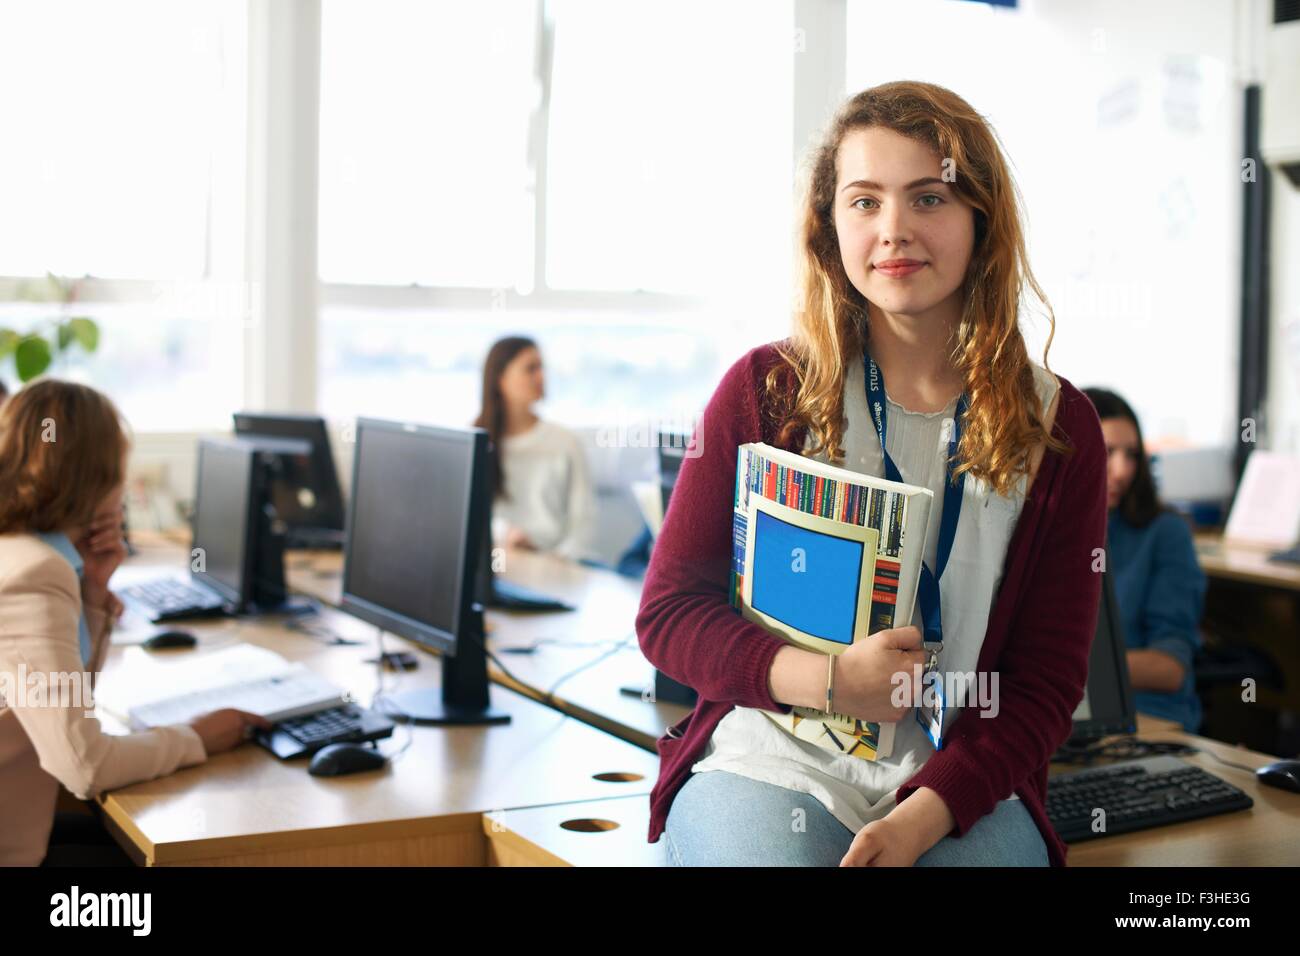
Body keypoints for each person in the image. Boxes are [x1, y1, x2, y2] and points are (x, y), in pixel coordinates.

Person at [636, 81, 1108, 867]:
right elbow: (668, 613)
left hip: (956, 775)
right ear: (831, 227)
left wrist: (927, 816)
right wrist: (827, 682)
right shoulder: (766, 391)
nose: (895, 231)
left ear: (981, 219)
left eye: (929, 197)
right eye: (864, 202)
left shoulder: (1060, 427)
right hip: (771, 757)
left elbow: (1044, 687)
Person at [0, 380, 269, 866]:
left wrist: (95, 593)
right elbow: (83, 766)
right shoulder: (33, 574)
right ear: (95, 477)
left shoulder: (25, 552)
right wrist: (196, 737)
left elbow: (69, 705)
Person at [1084, 387, 1206, 732]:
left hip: (1146, 717)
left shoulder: (1165, 532)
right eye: (1107, 452)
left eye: (1132, 455)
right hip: (1063, 717)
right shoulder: (1046, 529)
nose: (1121, 471)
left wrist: (1057, 669)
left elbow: (1169, 668)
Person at [473, 336, 595, 562]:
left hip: (552, 563)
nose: (541, 377)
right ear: (500, 379)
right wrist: (505, 535)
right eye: (530, 369)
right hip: (498, 562)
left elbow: (582, 523)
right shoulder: (477, 441)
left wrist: (559, 559)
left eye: (541, 368)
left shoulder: (565, 442)